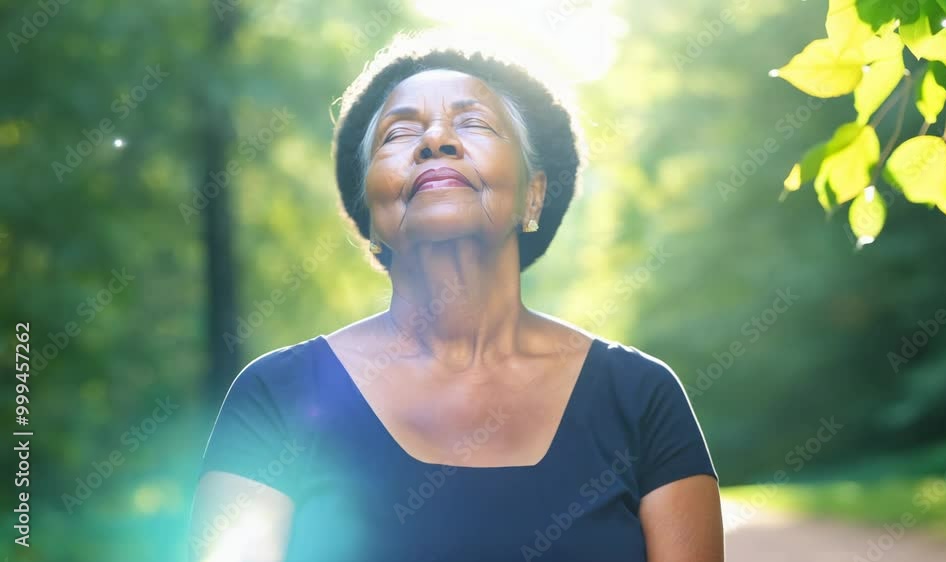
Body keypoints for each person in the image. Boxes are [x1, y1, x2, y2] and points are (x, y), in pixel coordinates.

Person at [188, 31, 724, 562]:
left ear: (533, 195)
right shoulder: (277, 396)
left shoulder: (639, 397)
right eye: (399, 133)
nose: (435, 140)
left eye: (474, 123)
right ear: (371, 211)